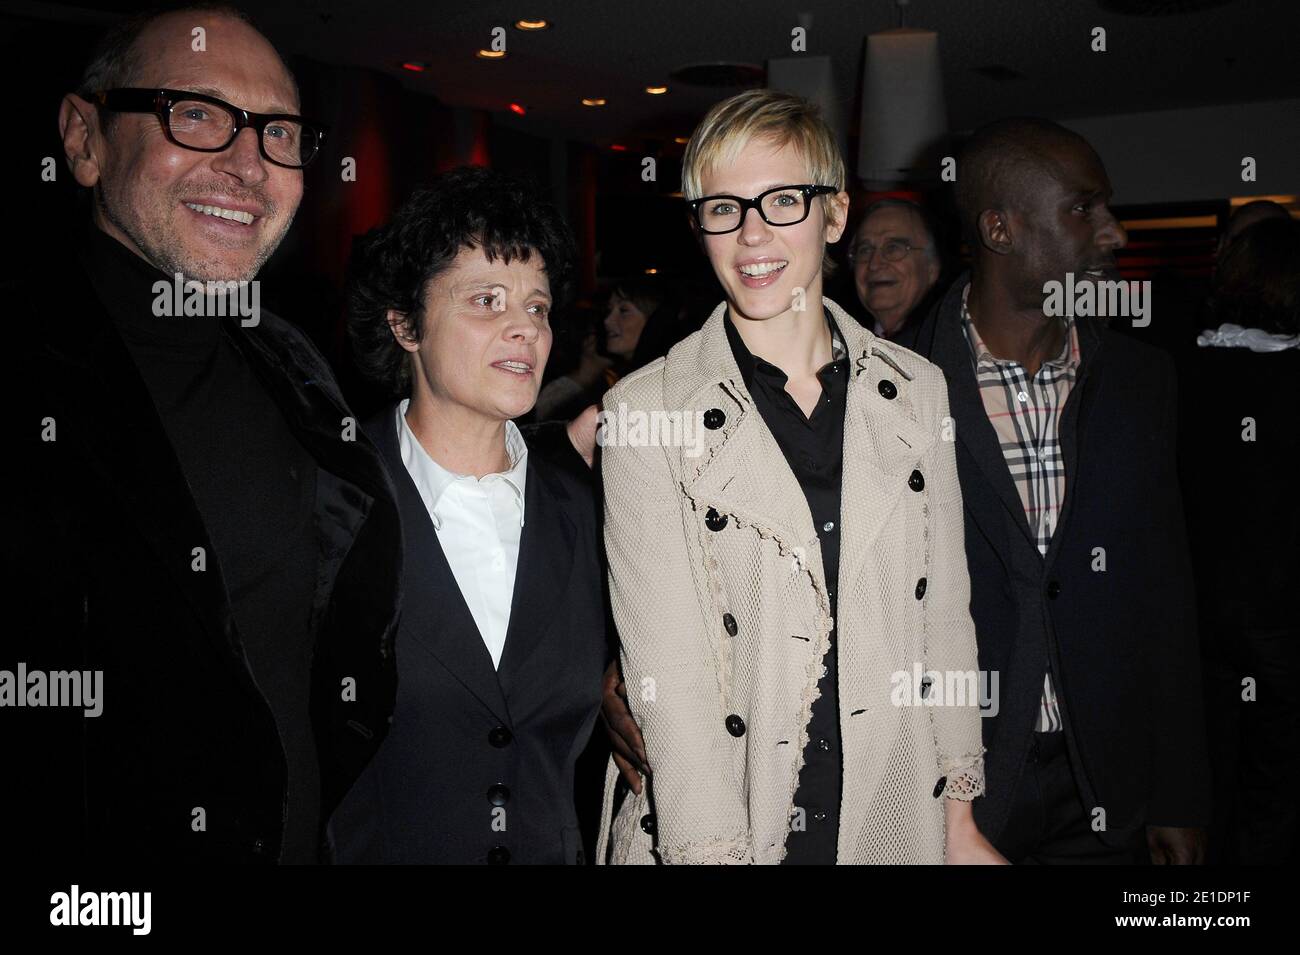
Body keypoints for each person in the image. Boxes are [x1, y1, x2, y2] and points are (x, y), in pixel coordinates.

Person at [3, 4, 401, 863]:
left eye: (279, 132)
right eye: (196, 114)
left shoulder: (293, 371)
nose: (247, 163)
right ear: (83, 138)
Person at [595, 89, 998, 864]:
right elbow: (670, 679)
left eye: (783, 200)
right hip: (725, 819)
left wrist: (958, 816)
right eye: (723, 207)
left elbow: (945, 620)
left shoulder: (917, 388)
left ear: (835, 215)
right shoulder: (645, 410)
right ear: (698, 223)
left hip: (892, 807)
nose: (752, 234)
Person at [898, 117, 1211, 863]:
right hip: (953, 790)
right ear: (1000, 229)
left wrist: (1180, 790)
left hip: (1105, 779)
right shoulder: (895, 383)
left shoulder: (1141, 379)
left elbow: (1164, 593)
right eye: (1084, 209)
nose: (1113, 234)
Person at [328, 167, 607, 864]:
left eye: (537, 307)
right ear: (406, 323)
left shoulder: (591, 506)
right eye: (486, 300)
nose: (524, 328)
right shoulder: (331, 494)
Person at [1184, 215, 1300, 864]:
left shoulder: (1180, 368)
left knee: (1211, 786)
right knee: (1272, 795)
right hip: (1273, 622)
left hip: (1203, 617)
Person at [848, 199, 945, 339]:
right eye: (865, 250)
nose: (874, 264)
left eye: (893, 248)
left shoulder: (948, 343)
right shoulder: (841, 343)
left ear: (932, 268)